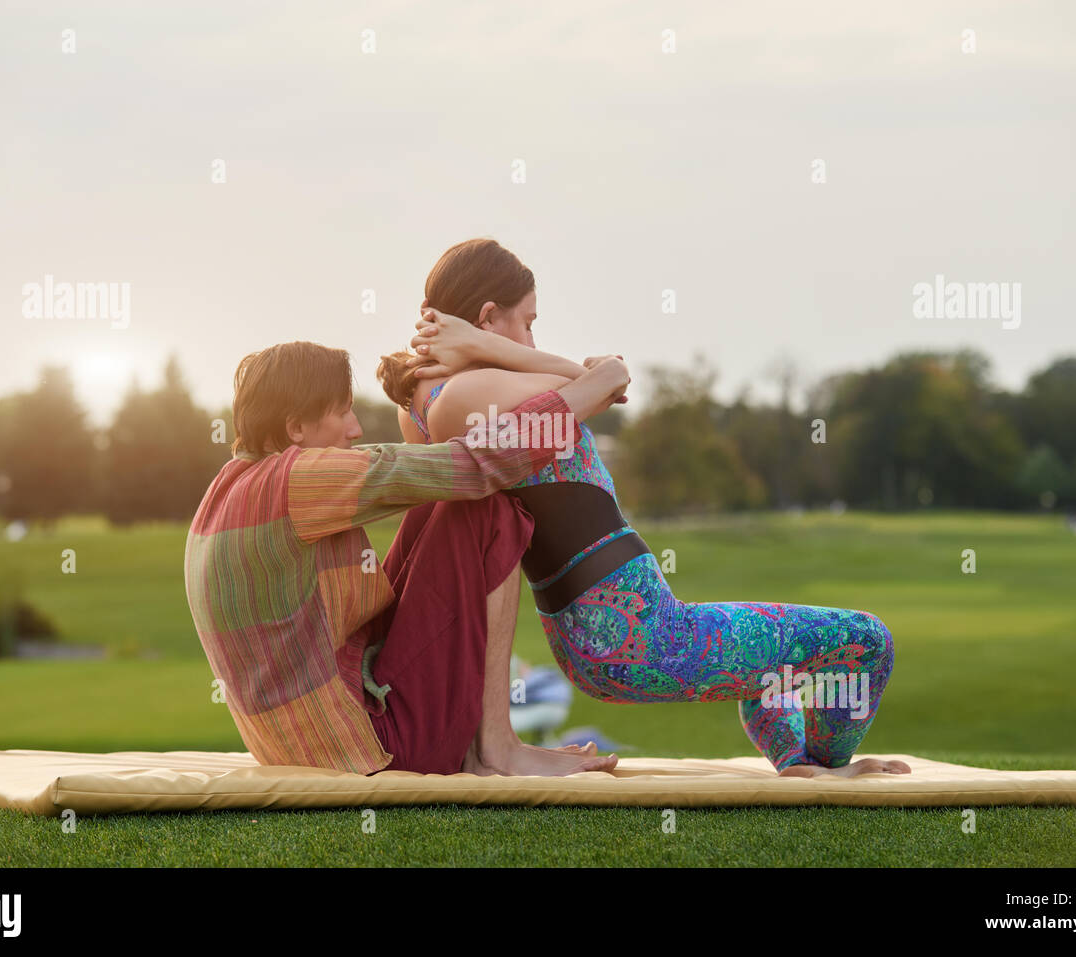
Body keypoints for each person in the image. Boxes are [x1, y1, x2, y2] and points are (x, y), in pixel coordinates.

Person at [377, 238, 911, 778]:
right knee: (866, 641)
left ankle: (799, 763)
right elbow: (608, 377)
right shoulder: (470, 393)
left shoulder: (421, 404)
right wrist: (491, 348)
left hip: (597, 632)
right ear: (488, 317)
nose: (532, 336)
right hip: (645, 632)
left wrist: (486, 345)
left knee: (776, 671)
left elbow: (599, 379)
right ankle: (830, 768)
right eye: (529, 322)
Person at [184, 339, 628, 777]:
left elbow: (429, 474)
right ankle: (497, 748)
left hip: (309, 742)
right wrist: (593, 387)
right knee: (487, 508)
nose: (355, 429)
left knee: (435, 501)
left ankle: (491, 745)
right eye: (342, 412)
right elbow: (476, 465)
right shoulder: (294, 481)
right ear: (296, 426)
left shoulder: (229, 489)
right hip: (371, 747)